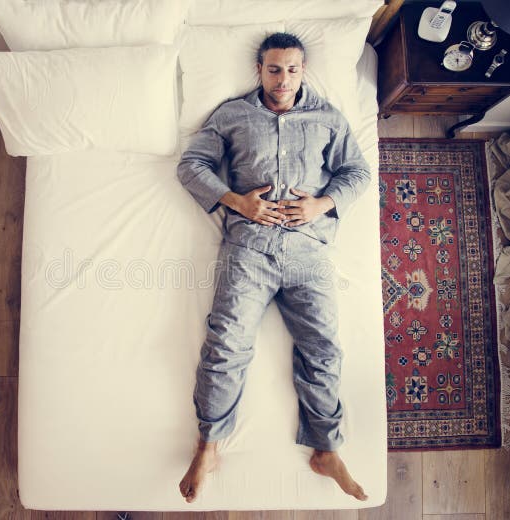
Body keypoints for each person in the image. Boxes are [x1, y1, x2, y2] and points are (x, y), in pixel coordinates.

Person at [175, 33, 372, 504]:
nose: (283, 80)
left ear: (303, 70)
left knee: (322, 346)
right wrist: (236, 200)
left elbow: (358, 173)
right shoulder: (231, 115)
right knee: (226, 343)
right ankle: (208, 445)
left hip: (308, 248)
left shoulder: (327, 117)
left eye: (292, 69)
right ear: (260, 71)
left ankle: (326, 449)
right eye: (274, 70)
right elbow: (191, 165)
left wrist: (321, 204)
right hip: (249, 248)